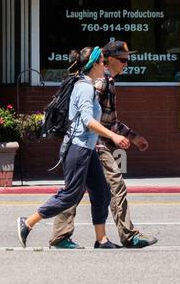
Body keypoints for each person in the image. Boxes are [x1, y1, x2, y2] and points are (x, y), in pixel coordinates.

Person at [18, 46, 129, 249]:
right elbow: (88, 121)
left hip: (87, 148)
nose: (105, 66)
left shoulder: (88, 85)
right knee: (71, 194)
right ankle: (27, 223)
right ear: (94, 64)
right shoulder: (85, 88)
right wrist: (113, 135)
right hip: (78, 148)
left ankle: (101, 239)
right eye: (103, 62)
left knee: (101, 191)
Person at [49, 39, 157, 249]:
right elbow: (88, 117)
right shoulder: (100, 82)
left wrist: (133, 137)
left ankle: (63, 235)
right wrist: (101, 141)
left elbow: (109, 120)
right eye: (123, 60)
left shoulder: (108, 80)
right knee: (114, 186)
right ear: (109, 60)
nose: (127, 64)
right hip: (92, 144)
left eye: (128, 60)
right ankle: (127, 235)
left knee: (77, 189)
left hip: (92, 143)